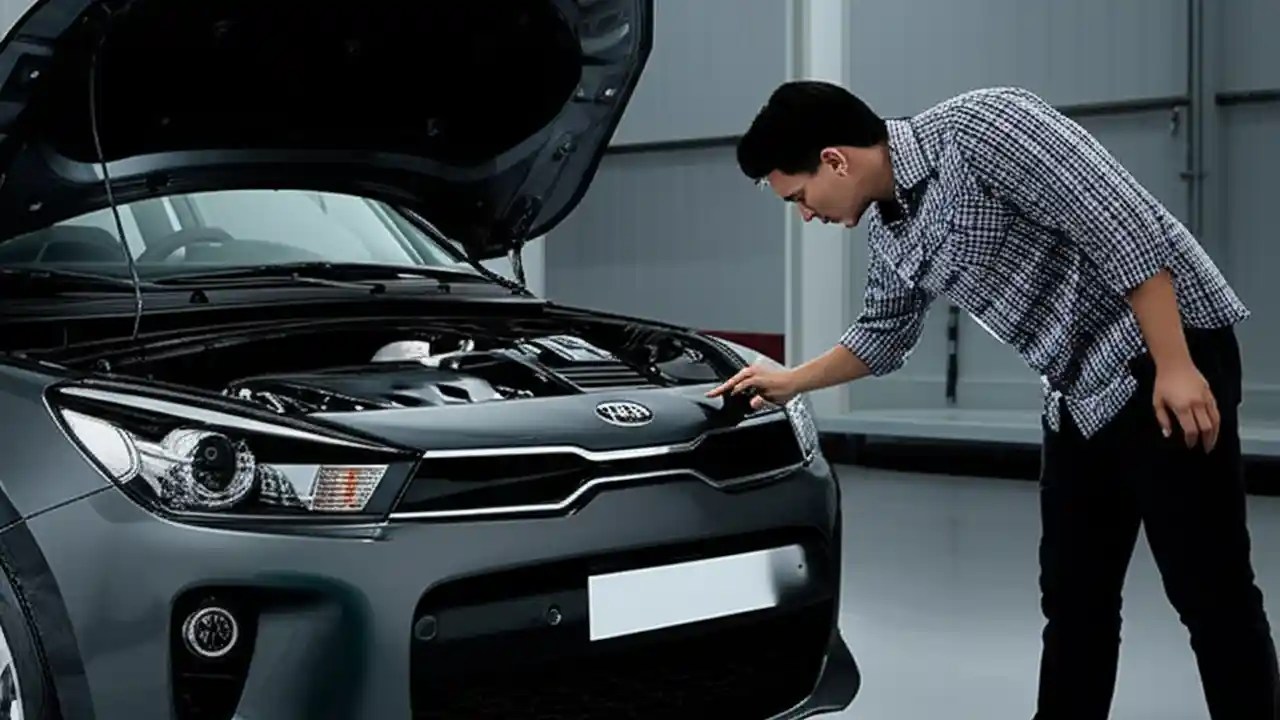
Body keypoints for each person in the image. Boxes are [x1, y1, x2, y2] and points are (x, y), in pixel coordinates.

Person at [708, 81, 1280, 719]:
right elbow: (881, 337)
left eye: (800, 197)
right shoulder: (892, 237)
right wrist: (787, 381)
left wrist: (1175, 364)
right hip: (1077, 390)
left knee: (1210, 589)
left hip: (1162, 347)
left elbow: (1119, 223)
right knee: (1072, 598)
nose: (806, 215)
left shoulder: (981, 127)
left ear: (835, 160)